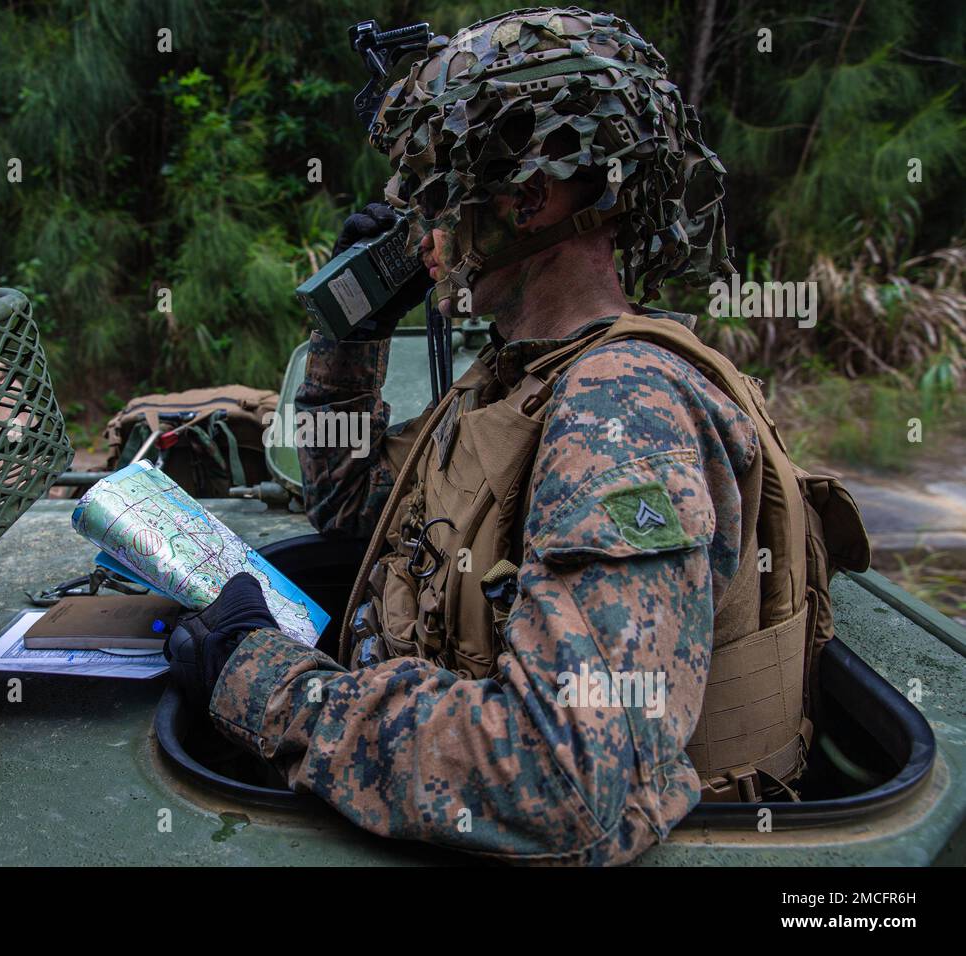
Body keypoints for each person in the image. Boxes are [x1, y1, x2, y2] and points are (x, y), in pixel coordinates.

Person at [165, 7, 858, 864]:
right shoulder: (518, 377)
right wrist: (350, 337)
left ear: (529, 198)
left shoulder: (622, 411)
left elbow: (563, 784)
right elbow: (348, 512)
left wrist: (265, 685)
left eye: (435, 193)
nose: (421, 231)